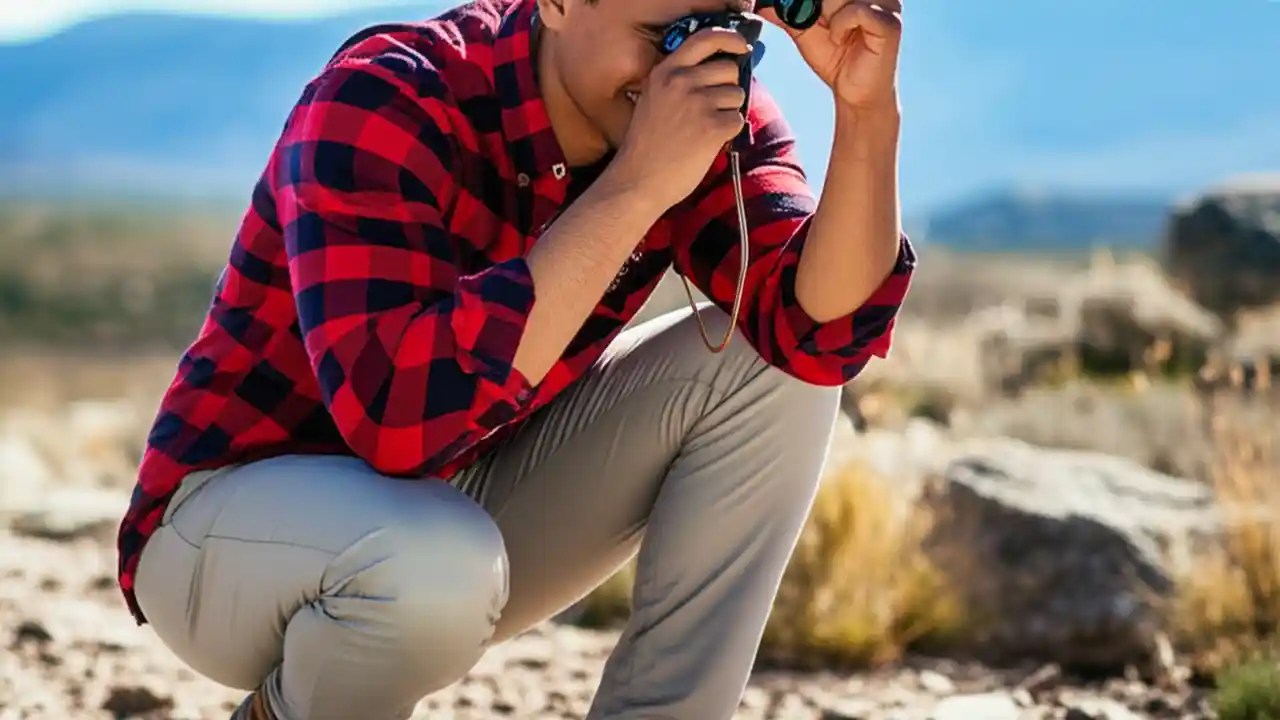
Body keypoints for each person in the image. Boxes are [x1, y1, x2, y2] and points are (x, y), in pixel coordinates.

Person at [115, 0, 915, 717]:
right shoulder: (386, 96)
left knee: (781, 371)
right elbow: (398, 423)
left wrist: (866, 111)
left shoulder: (708, 113)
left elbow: (822, 334)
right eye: (663, 37)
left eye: (721, 38)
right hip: (221, 536)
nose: (689, 71)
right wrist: (637, 187)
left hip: (449, 512)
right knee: (431, 564)